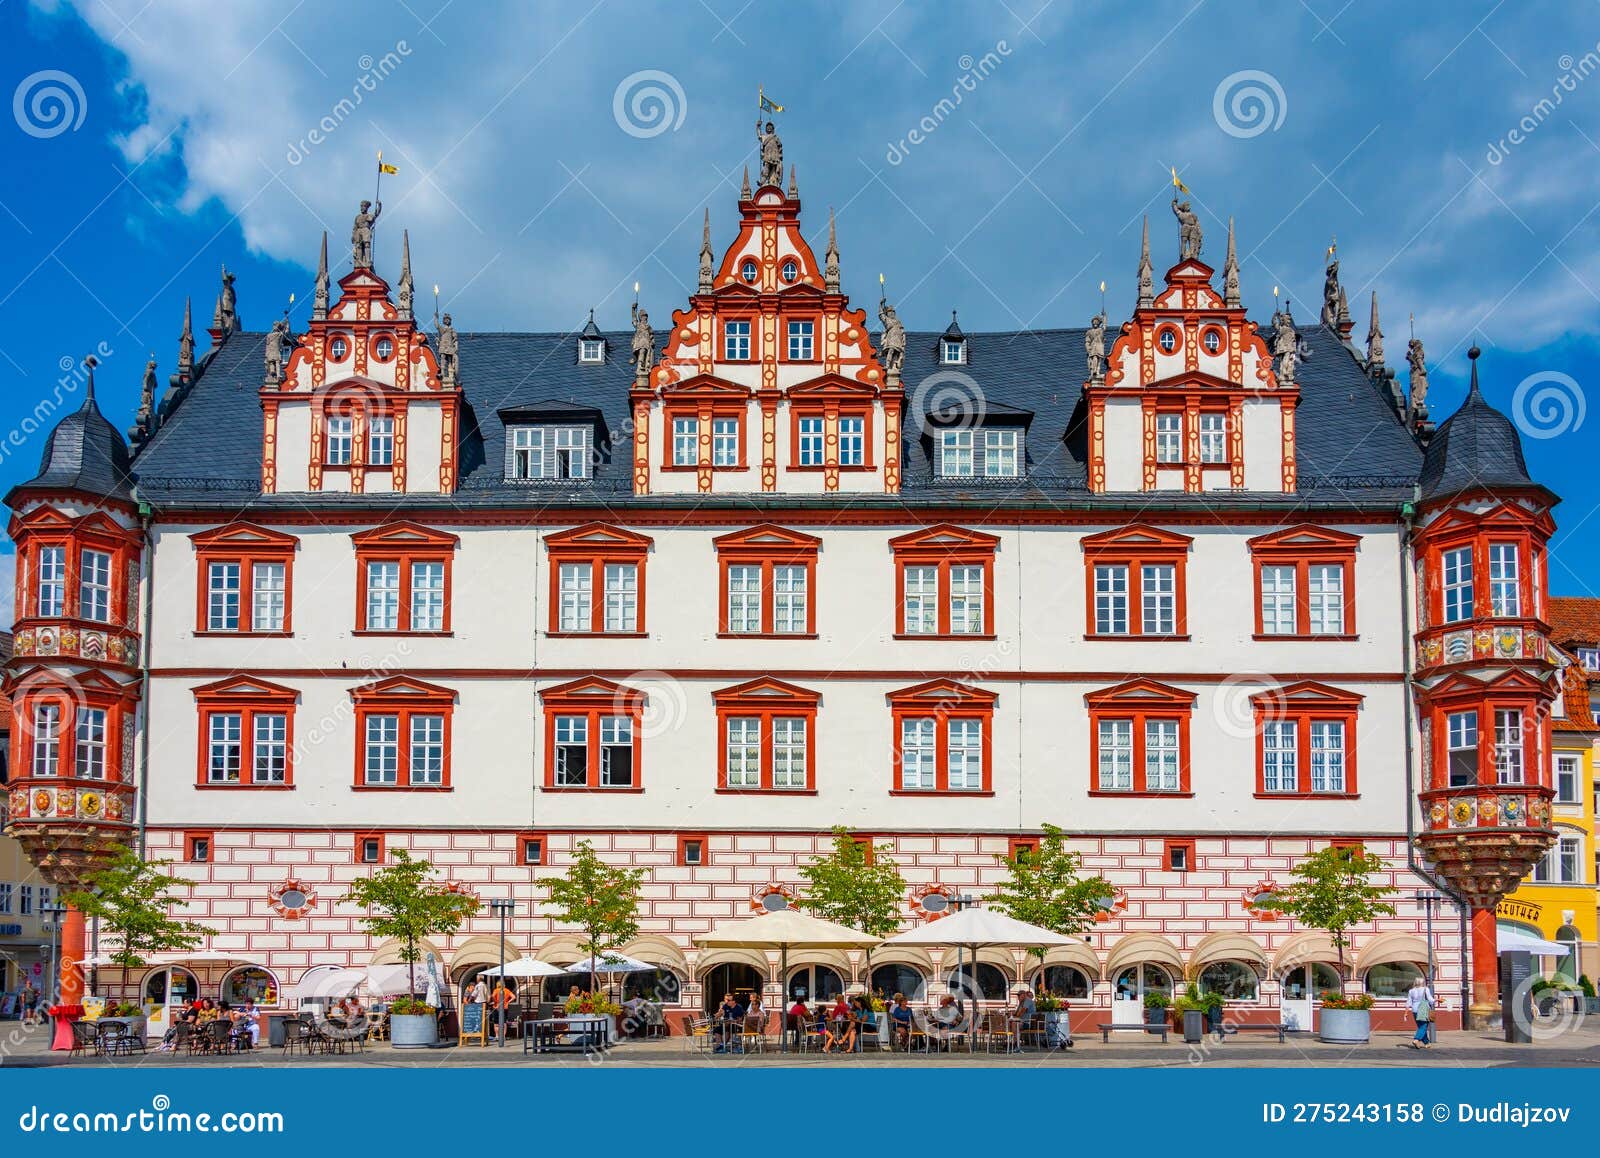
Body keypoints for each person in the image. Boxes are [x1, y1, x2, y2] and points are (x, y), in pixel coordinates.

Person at [1406, 975, 1437, 1049]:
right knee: (1424, 1026)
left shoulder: (1411, 991)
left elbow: (1408, 1002)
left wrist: (1406, 1012)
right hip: (1423, 1009)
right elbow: (1430, 999)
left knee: (1421, 1027)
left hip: (1414, 1010)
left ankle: (1427, 1043)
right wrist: (1437, 1000)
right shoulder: (1425, 989)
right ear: (1422, 983)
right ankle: (1416, 1039)